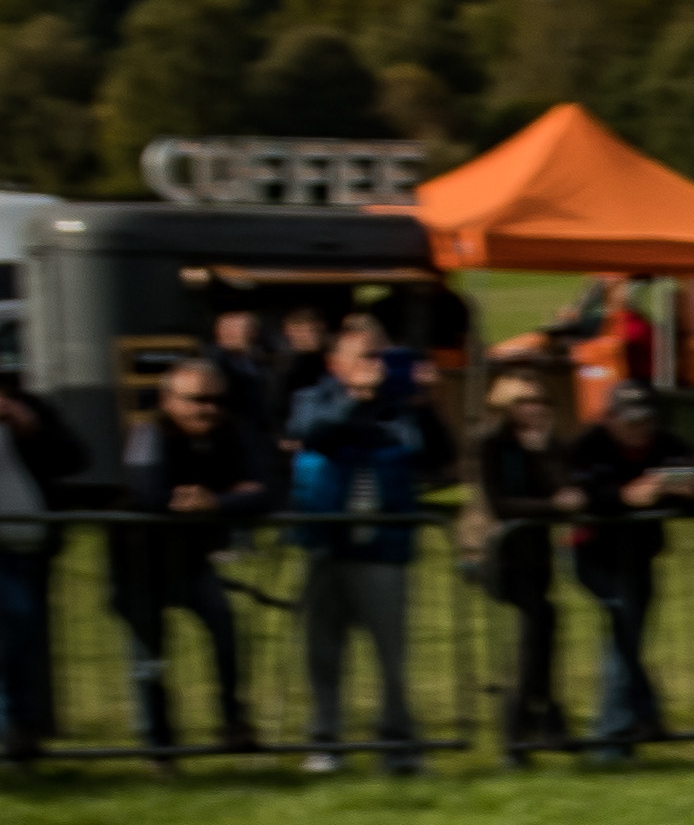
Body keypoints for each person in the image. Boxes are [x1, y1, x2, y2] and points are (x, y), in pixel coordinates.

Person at [280, 313, 445, 777]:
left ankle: (398, 747)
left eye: (381, 355)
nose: (376, 365)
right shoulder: (312, 399)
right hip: (326, 543)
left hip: (384, 546)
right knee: (323, 651)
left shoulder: (404, 405)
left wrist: (427, 401)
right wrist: (358, 402)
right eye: (365, 357)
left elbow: (435, 456)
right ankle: (325, 741)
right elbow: (317, 436)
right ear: (336, 363)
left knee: (392, 655)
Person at [111, 355, 272, 765]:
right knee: (150, 658)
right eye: (197, 400)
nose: (209, 409)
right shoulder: (149, 433)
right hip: (139, 566)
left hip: (192, 562)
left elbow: (264, 490)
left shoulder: (231, 432)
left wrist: (215, 501)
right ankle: (160, 745)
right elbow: (152, 493)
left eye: (217, 400)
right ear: (168, 399)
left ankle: (233, 721)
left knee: (226, 633)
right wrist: (222, 497)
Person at [564, 381, 694, 761]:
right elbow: (579, 494)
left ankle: (642, 718)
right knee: (624, 633)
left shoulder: (668, 445)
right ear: (609, 418)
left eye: (646, 420)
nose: (640, 429)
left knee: (626, 640)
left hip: (640, 556)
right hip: (592, 555)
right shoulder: (588, 445)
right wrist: (625, 496)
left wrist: (691, 491)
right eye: (631, 421)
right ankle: (611, 738)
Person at [465, 363, 571, 765]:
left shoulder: (548, 443)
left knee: (543, 631)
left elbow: (564, 488)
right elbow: (499, 503)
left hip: (536, 557)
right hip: (500, 556)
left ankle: (538, 721)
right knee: (539, 628)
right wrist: (550, 506)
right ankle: (525, 727)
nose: (536, 408)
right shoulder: (492, 444)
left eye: (541, 401)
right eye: (526, 401)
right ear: (507, 405)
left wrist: (543, 454)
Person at [0, 374, 102, 766]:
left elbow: (75, 459)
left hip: (23, 545)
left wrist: (31, 429)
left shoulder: (30, 407)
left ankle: (21, 734)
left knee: (20, 640)